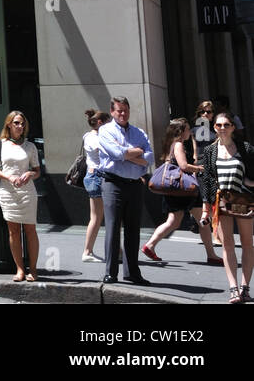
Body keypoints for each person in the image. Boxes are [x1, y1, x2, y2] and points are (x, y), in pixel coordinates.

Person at [142, 117, 220, 265]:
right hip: (185, 190)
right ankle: (211, 255)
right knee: (202, 221)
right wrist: (200, 169)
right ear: (181, 131)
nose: (190, 132)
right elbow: (183, 166)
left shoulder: (172, 144)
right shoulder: (178, 145)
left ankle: (150, 245)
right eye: (188, 129)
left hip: (176, 190)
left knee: (174, 221)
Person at [199, 112, 254, 303]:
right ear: (214, 127)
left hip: (242, 199)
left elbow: (251, 176)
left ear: (232, 127)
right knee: (227, 245)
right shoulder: (210, 151)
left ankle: (245, 288)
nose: (222, 128)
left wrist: (250, 183)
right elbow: (206, 181)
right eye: (219, 125)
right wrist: (205, 209)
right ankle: (233, 288)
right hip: (221, 200)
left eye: (226, 125)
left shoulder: (245, 148)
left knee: (247, 243)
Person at [98, 96, 152, 285]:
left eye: (126, 110)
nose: (123, 114)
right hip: (113, 183)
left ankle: (132, 273)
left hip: (135, 184)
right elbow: (116, 153)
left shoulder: (139, 132)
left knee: (133, 230)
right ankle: (111, 273)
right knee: (113, 228)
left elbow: (150, 158)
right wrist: (137, 152)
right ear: (112, 112)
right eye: (119, 110)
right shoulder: (105, 131)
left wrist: (127, 153)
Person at [0, 111, 41, 282]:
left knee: (30, 230)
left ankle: (33, 269)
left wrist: (30, 174)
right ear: (9, 124)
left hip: (27, 191)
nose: (20, 126)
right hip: (8, 191)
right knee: (14, 231)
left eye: (22, 123)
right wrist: (8, 177)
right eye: (16, 123)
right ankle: (20, 269)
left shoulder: (30, 146)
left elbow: (37, 171)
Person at [80, 110, 109, 262]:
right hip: (96, 176)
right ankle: (87, 252)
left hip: (95, 176)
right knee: (97, 217)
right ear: (100, 123)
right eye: (107, 122)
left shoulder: (88, 136)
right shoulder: (94, 138)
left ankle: (117, 250)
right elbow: (104, 151)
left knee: (100, 216)